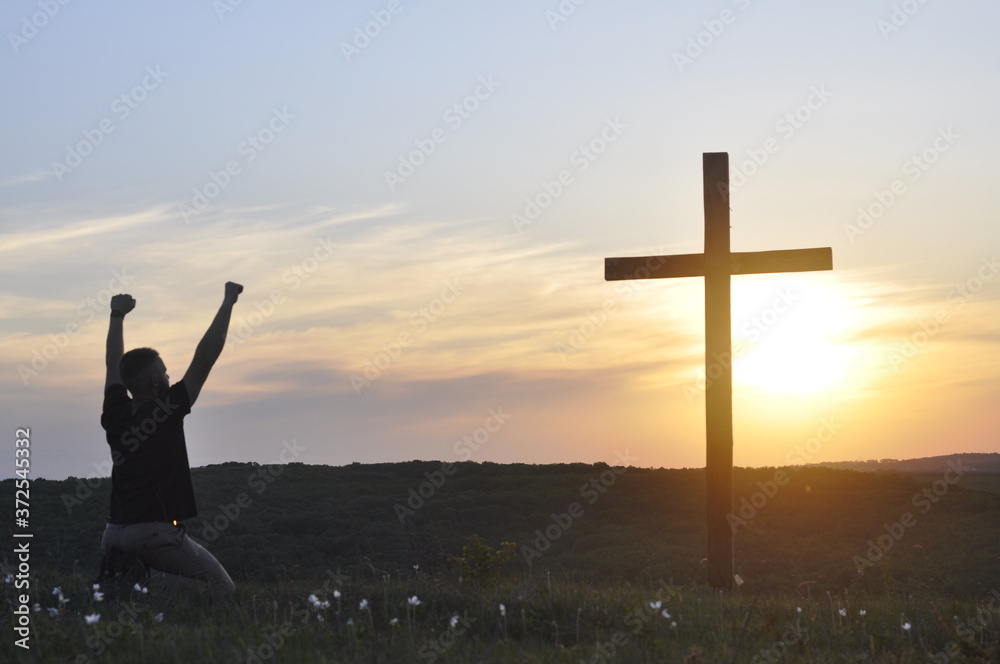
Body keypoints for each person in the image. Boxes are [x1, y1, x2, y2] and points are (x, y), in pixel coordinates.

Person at [98, 282, 243, 592]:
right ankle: (140, 579)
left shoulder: (115, 412)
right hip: (153, 533)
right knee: (223, 590)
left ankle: (126, 575)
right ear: (154, 381)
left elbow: (113, 363)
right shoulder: (167, 409)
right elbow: (206, 357)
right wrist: (228, 302)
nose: (168, 376)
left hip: (113, 532)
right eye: (164, 372)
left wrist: (116, 315)